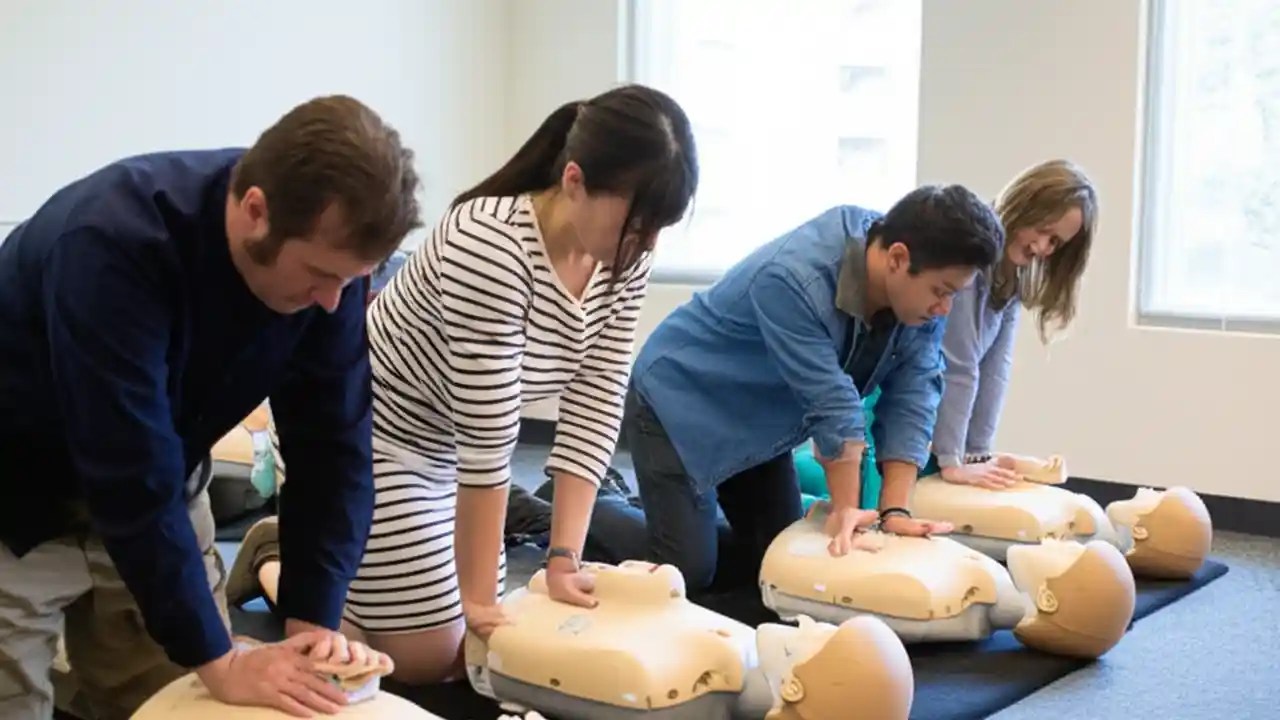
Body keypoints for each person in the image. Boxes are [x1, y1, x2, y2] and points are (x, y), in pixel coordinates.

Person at [226, 83, 699, 684]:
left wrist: (562, 560)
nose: (648, 241)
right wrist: (477, 604)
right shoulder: (489, 242)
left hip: (451, 457)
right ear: (574, 181)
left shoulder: (626, 254)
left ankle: (333, 571)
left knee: (462, 648)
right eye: (639, 220)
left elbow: (598, 398)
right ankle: (280, 555)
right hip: (376, 441)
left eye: (661, 225)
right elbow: (490, 432)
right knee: (436, 658)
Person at [0, 95, 422, 720]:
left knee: (176, 704)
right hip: (16, 497)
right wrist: (219, 659)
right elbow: (127, 468)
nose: (333, 303)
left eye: (351, 279)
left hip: (164, 486)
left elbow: (334, 448)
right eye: (320, 275)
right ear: (256, 211)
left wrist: (313, 623)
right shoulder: (112, 243)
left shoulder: (329, 269)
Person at [541, 186, 1007, 598]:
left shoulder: (921, 300)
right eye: (941, 291)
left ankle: (668, 511)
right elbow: (833, 404)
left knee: (776, 560)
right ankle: (560, 510)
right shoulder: (797, 278)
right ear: (898, 258)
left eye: (955, 295)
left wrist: (895, 511)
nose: (945, 307)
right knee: (685, 573)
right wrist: (847, 510)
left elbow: (915, 394)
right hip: (680, 403)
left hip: (762, 422)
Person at [926, 159, 1098, 488]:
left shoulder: (1011, 276)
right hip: (893, 410)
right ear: (1025, 205)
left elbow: (995, 367)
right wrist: (952, 460)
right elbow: (959, 362)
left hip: (939, 416)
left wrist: (977, 454)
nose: (1044, 248)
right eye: (1044, 231)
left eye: (1055, 243)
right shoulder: (970, 253)